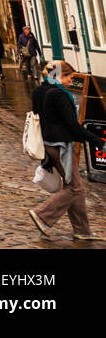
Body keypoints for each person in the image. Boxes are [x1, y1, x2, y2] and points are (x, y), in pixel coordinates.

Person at [29, 60, 105, 241]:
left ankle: (82, 230)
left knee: (74, 186)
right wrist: (97, 141)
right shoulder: (60, 95)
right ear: (61, 76)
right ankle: (43, 214)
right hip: (60, 146)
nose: (72, 81)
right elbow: (71, 125)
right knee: (76, 188)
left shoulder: (41, 90)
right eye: (70, 77)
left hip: (48, 143)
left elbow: (42, 117)